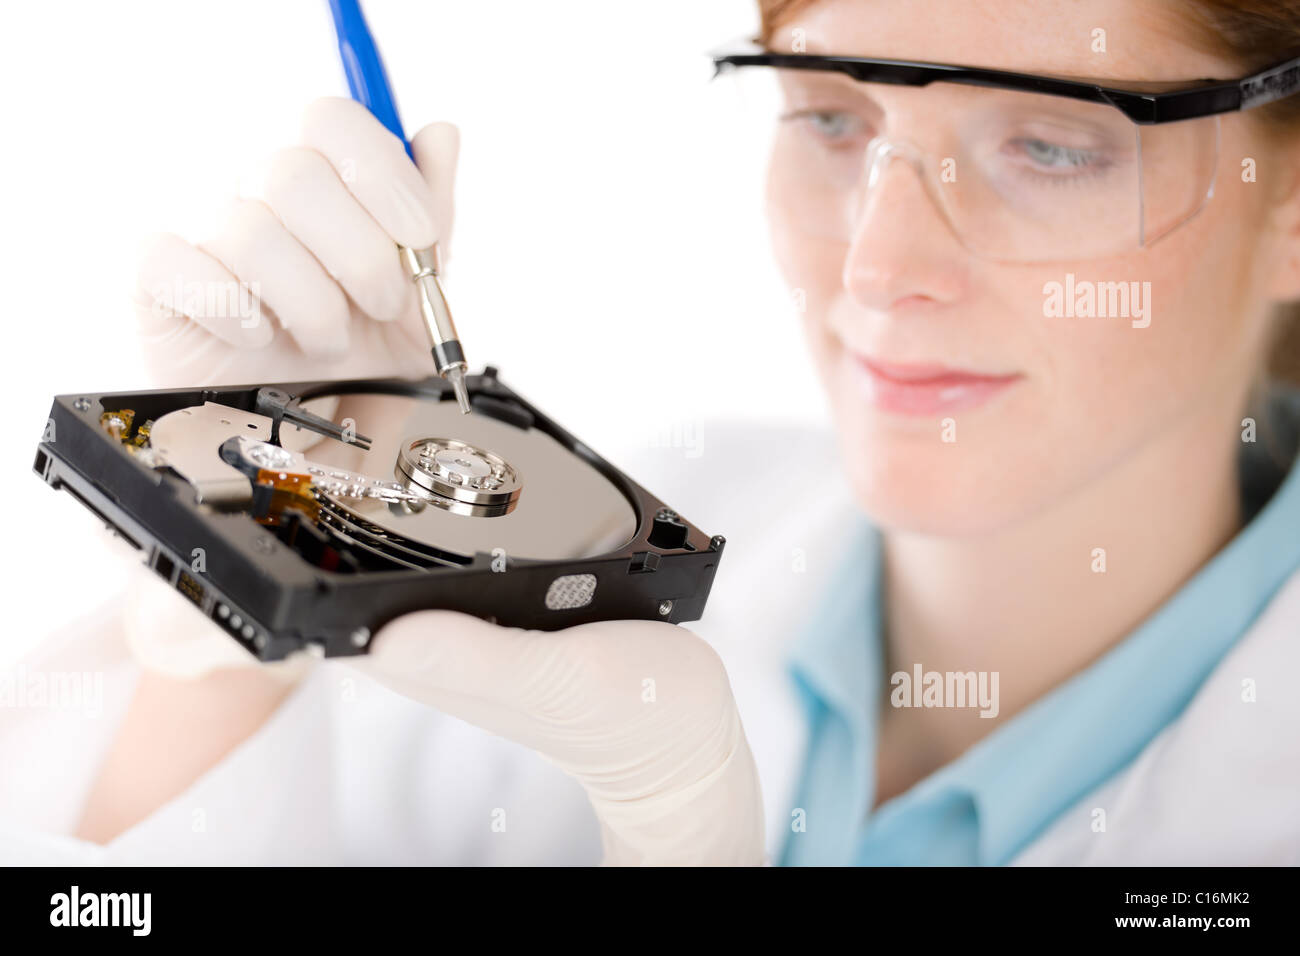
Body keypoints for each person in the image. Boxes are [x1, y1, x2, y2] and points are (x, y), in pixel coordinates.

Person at [3, 0, 1300, 865]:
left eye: (1054, 146)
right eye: (833, 118)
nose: (875, 268)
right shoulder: (629, 516)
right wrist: (242, 588)